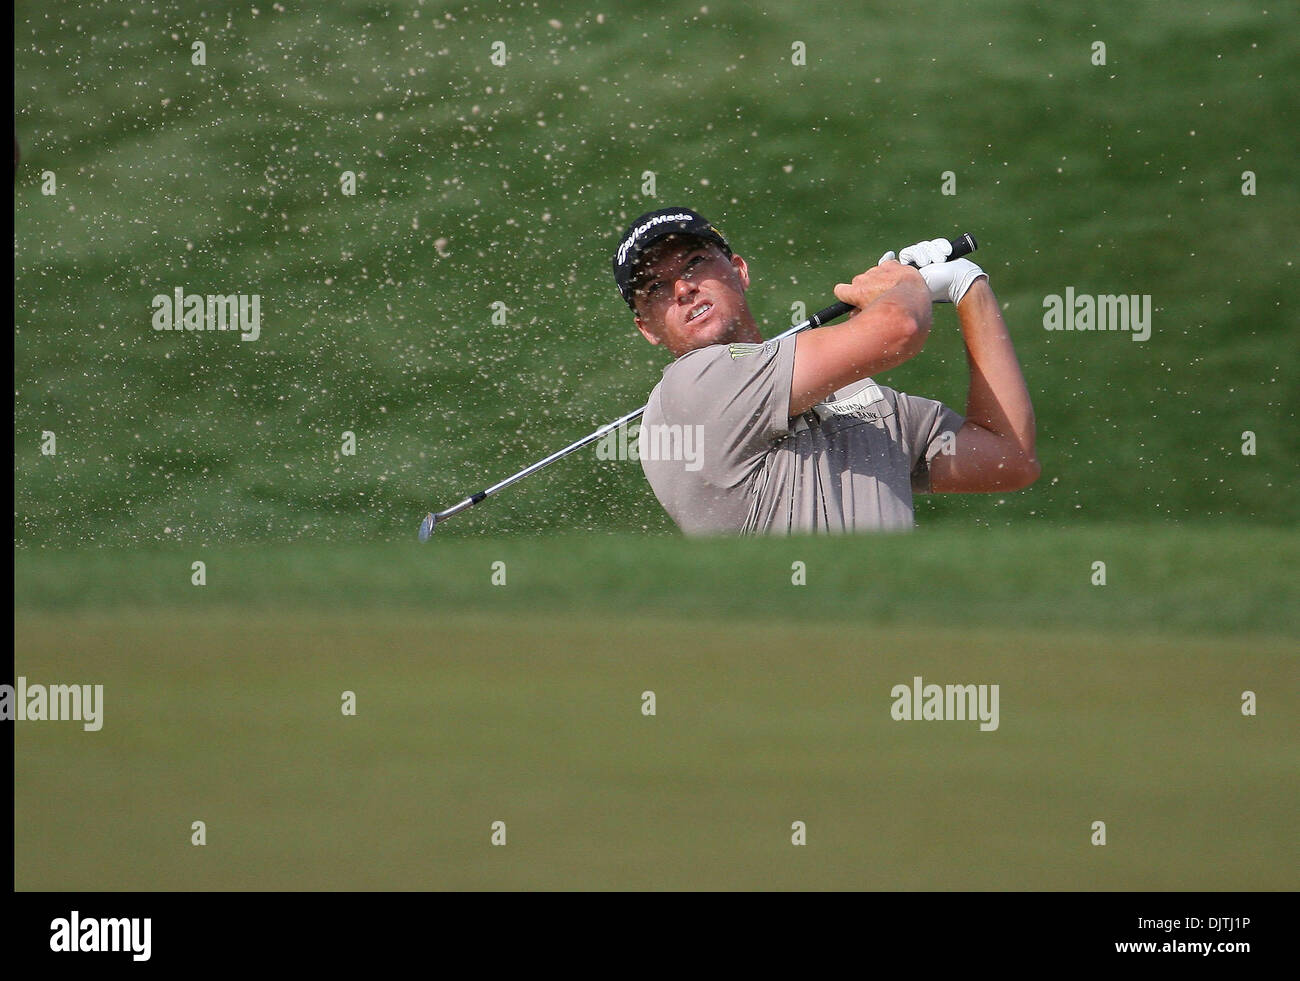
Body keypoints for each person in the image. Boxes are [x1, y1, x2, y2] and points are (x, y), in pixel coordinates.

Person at [611, 207, 1039, 534]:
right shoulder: (691, 388)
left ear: (739, 271)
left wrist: (970, 289)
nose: (682, 288)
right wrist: (907, 285)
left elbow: (1011, 459)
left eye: (694, 263)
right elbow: (899, 328)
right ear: (647, 328)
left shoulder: (860, 402)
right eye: (654, 288)